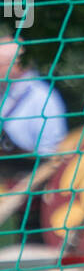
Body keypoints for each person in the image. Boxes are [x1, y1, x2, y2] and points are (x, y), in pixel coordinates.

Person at [0, 36, 68, 243]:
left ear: (16, 64)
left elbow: (53, 161)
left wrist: (13, 198)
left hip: (32, 200)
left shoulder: (43, 99)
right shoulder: (3, 95)